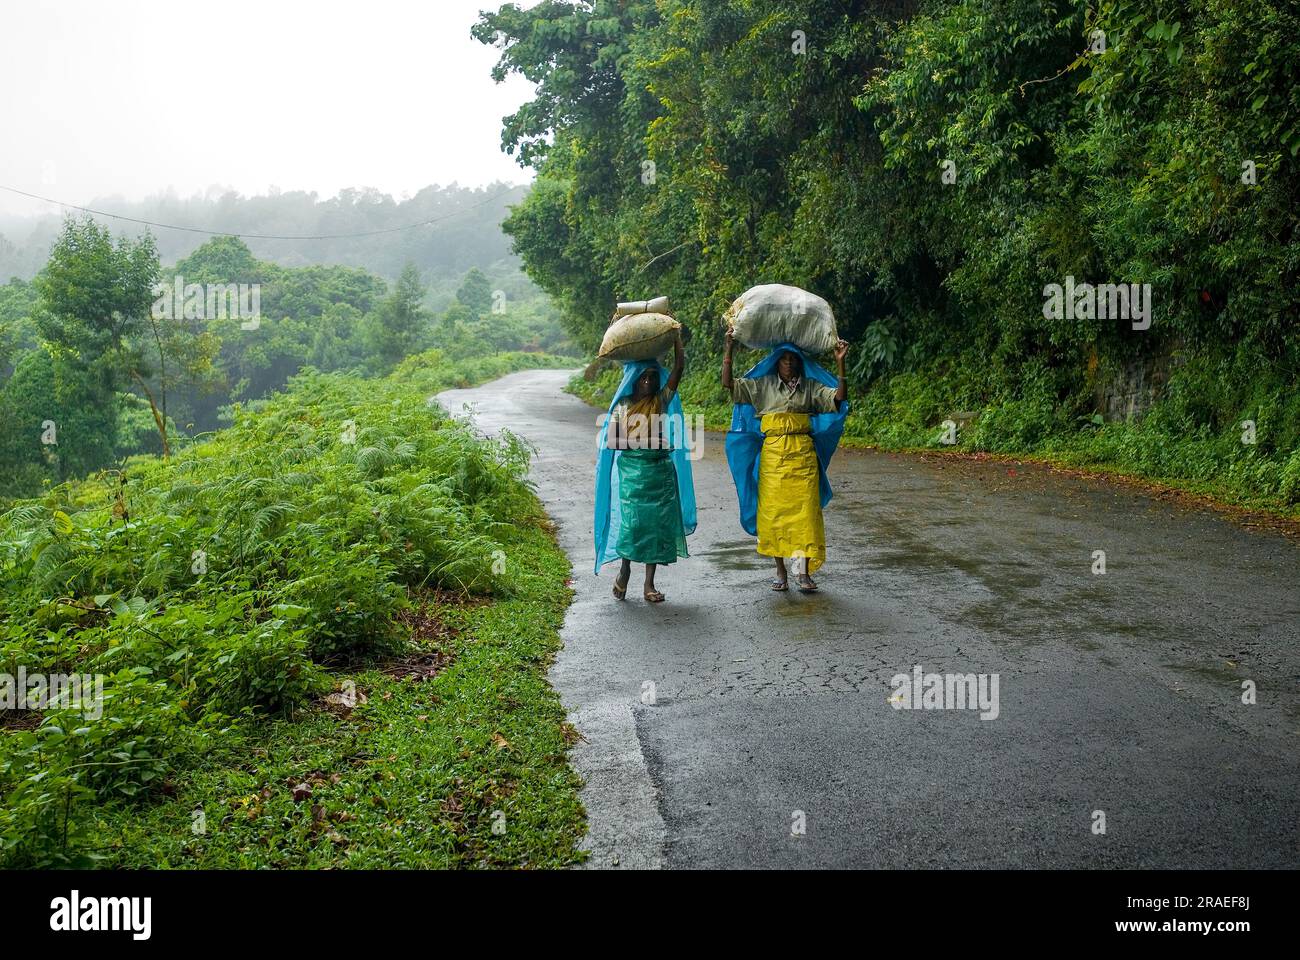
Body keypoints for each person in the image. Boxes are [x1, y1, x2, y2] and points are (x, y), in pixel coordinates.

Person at [723, 331, 849, 592]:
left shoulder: (810, 388)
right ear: (776, 362)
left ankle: (803, 573)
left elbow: (837, 399)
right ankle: (780, 571)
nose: (789, 363)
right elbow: (730, 385)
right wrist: (729, 350)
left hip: (803, 458)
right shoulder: (763, 386)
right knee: (774, 516)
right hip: (773, 458)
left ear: (800, 362)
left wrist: (840, 363)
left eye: (793, 359)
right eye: (784, 359)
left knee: (805, 514)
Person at [593, 332, 696, 602]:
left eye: (652, 377)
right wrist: (648, 439)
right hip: (633, 474)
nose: (648, 382)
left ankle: (649, 584)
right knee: (633, 525)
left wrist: (676, 341)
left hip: (660, 473)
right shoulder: (623, 407)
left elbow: (679, 370)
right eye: (643, 377)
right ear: (634, 380)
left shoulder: (660, 401)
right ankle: (624, 570)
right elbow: (614, 441)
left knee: (657, 527)